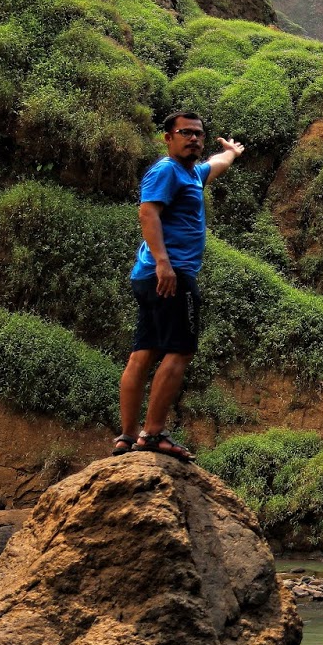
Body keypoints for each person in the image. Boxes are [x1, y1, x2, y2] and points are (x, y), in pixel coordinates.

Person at [113, 112, 244, 461]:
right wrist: (163, 262)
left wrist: (230, 151)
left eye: (199, 134)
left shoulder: (192, 174)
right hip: (169, 275)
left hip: (151, 276)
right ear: (168, 137)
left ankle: (126, 437)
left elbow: (217, 165)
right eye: (185, 133)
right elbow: (148, 212)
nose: (195, 140)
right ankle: (152, 434)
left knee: (144, 353)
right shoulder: (166, 170)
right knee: (181, 350)